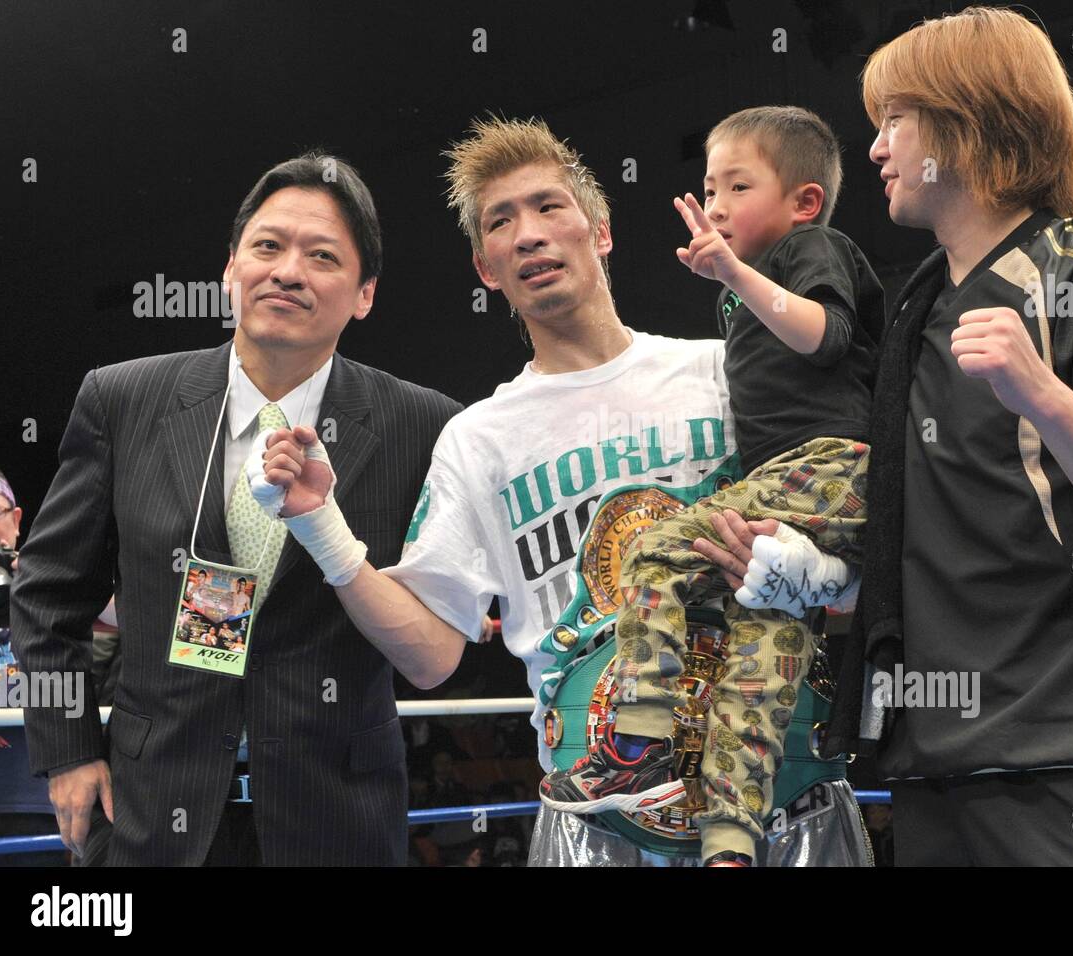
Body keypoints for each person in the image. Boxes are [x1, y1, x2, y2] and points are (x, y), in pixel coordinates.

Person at [254, 116, 872, 866]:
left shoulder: (729, 369)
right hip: (597, 833)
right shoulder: (478, 439)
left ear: (600, 232)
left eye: (549, 207)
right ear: (487, 268)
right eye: (501, 223)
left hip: (788, 806)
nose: (528, 235)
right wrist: (322, 523)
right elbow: (430, 657)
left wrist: (803, 573)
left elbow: (854, 533)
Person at [727, 7, 1073, 865]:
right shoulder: (913, 307)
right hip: (934, 766)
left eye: (894, 122)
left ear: (968, 118)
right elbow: (931, 537)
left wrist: (1044, 395)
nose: (876, 150)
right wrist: (806, 574)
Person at [10, 152, 461, 866]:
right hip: (147, 813)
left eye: (322, 256)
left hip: (336, 821)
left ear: (365, 293)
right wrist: (65, 752)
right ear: (230, 268)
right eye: (268, 246)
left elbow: (437, 635)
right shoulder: (122, 400)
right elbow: (45, 598)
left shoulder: (424, 426)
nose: (287, 271)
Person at [538, 106, 881, 867]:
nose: (716, 203)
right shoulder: (740, 293)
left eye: (736, 185)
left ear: (803, 201)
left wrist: (734, 270)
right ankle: (730, 845)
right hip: (794, 504)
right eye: (707, 187)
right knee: (758, 675)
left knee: (655, 552)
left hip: (834, 471)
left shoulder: (812, 249)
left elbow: (824, 335)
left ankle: (638, 741)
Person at [0, 457, 64, 866]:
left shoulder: (50, 583)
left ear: (15, 520)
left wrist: (51, 584)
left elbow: (150, 628)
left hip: (33, 799)